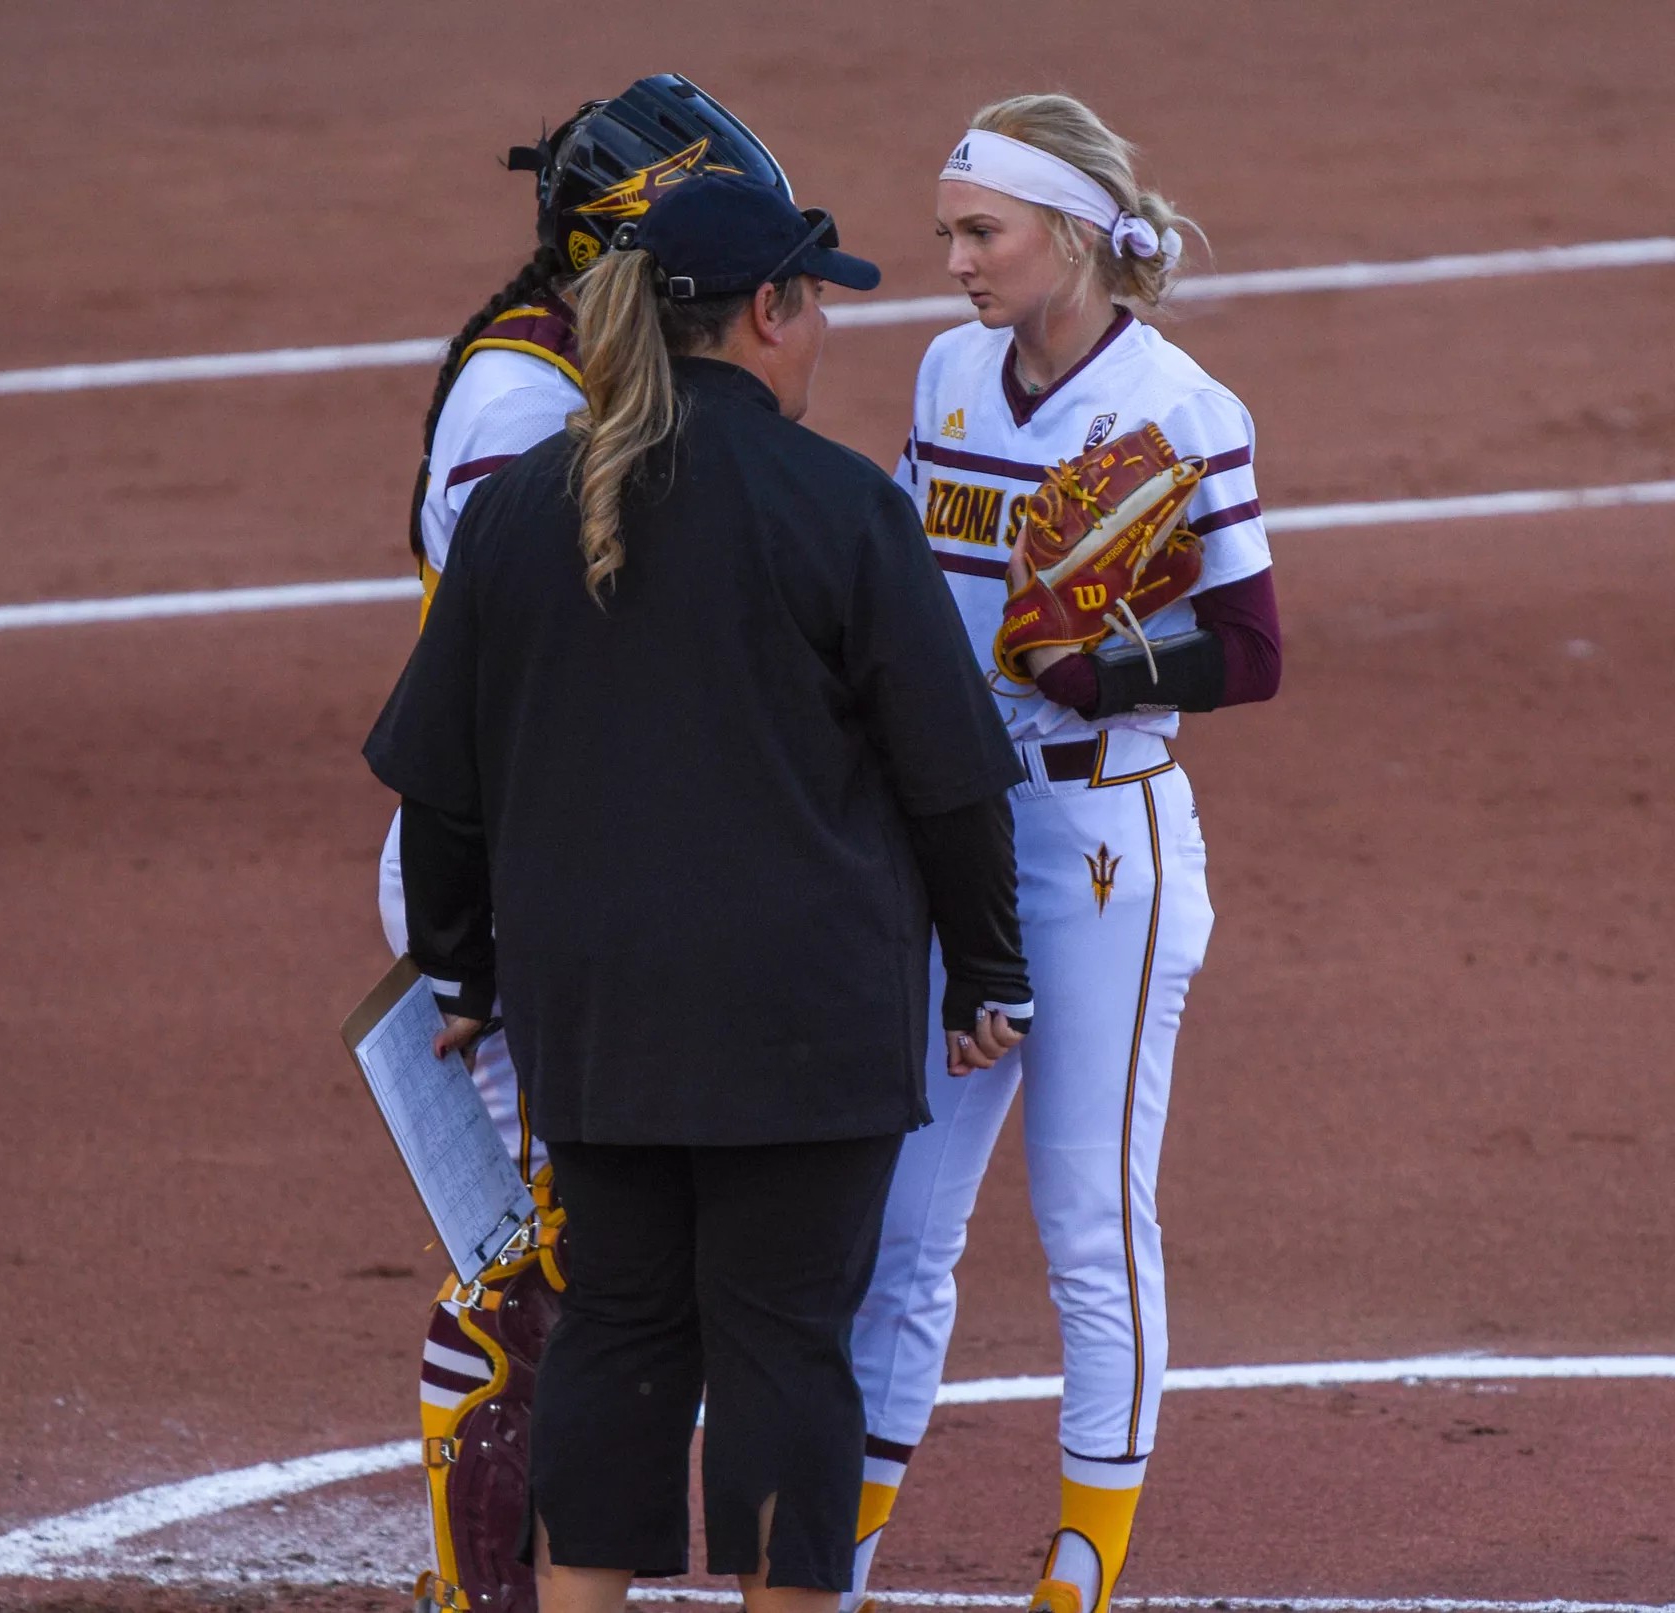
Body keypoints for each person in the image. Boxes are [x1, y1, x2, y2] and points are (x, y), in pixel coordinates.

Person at [364, 173, 1036, 1613]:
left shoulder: (529, 505)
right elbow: (954, 778)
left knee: (615, 1330)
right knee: (791, 1342)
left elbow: (438, 781)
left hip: (596, 1022)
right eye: (814, 305)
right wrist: (988, 973)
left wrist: (465, 972)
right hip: (806, 1026)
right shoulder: (841, 505)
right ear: (769, 314)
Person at [843, 94, 1284, 1613]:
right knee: (900, 1215)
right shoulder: (949, 372)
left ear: (1076, 233)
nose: (955, 261)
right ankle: (832, 1554)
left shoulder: (1181, 407)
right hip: (952, 834)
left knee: (1088, 1213)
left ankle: (1082, 1570)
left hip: (1104, 838)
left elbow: (1252, 651)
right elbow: (907, 582)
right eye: (949, 233)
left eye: (983, 232)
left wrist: (1103, 675)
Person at [372, 76, 797, 1613]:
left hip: (570, 861)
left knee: (597, 1259)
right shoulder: (522, 401)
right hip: (507, 867)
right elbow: (525, 672)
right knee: (552, 1270)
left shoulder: (592, 367)